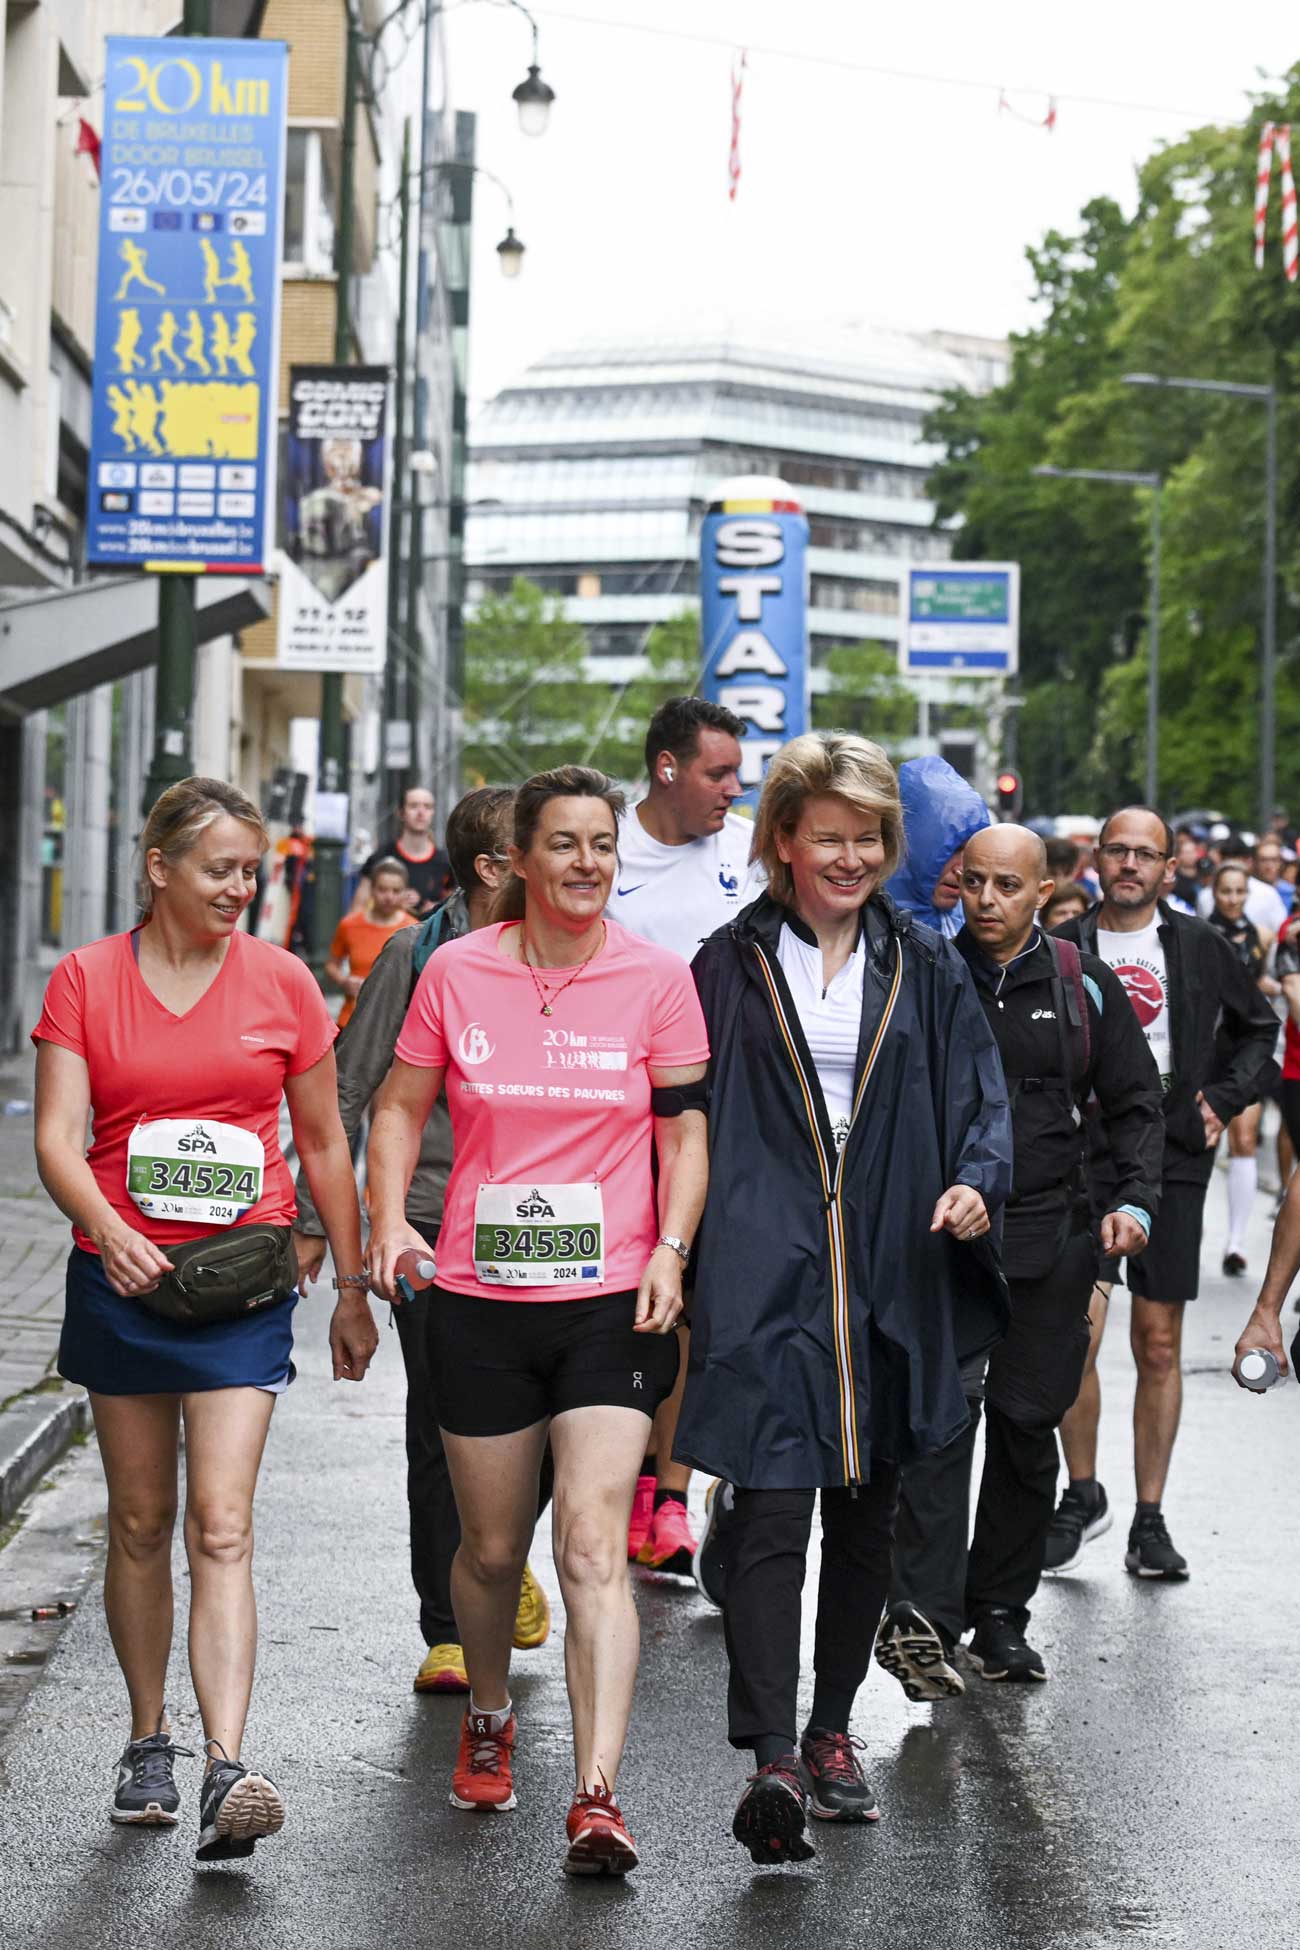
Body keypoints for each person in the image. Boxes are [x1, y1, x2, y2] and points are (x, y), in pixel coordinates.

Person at [367, 765, 710, 1877]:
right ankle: (488, 1712)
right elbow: (398, 1109)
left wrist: (668, 1248)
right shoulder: (457, 972)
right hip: (478, 1296)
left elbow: (682, 1136)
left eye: (602, 844)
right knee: (489, 1548)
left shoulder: (657, 980)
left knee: (590, 1549)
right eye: (562, 845)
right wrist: (389, 1228)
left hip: (611, 1298)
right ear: (517, 861)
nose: (586, 864)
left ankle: (598, 1794)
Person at [676, 732, 1012, 1866]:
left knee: (865, 1510)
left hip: (888, 1264)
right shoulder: (728, 963)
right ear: (782, 840)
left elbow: (980, 1096)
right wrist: (675, 1248)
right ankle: (771, 1751)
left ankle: (831, 1732)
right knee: (772, 1509)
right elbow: (678, 1114)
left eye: (869, 838)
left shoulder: (923, 962)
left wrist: (975, 1181)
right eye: (830, 836)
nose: (851, 855)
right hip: (763, 1262)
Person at [30, 778, 374, 1862]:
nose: (240, 887)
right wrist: (104, 1225)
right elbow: (56, 1134)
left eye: (251, 870)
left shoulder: (282, 984)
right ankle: (148, 1740)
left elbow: (322, 1142)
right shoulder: (85, 978)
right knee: (138, 1522)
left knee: (220, 1524)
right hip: (122, 1276)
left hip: (239, 1284)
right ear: (159, 866)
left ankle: (229, 1761)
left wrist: (352, 1282)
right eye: (221, 868)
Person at [877, 826, 1162, 1691]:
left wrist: (1133, 1202)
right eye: (975, 884)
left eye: (1009, 886)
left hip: (1054, 1238)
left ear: (1045, 892)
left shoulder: (1083, 984)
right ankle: (923, 1616)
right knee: (938, 1424)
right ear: (957, 887)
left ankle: (999, 1613)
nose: (989, 901)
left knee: (1028, 1427)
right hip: (945, 1238)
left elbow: (1137, 1104)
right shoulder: (925, 975)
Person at [295, 788, 554, 1697]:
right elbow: (350, 1089)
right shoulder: (419, 952)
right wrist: (317, 1231)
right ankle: (446, 1626)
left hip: (557, 1226)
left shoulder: (572, 949)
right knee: (445, 1423)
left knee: (557, 1424)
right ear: (494, 868)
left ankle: (495, 1550)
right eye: (540, 845)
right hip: (436, 1219)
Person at [1046, 808, 1278, 1581]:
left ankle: (1150, 1516)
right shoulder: (1066, 948)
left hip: (1172, 1155)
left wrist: (1220, 1100)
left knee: (1159, 1342)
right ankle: (1081, 1494)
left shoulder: (1200, 946)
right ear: (1096, 860)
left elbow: (1259, 1031)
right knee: (1074, 1333)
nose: (1130, 865)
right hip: (1084, 1157)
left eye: (1147, 854)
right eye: (1118, 851)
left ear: (1170, 870)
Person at [604, 695, 764, 1579]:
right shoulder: (610, 853)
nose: (732, 791)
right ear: (667, 768)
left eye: (737, 774)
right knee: (633, 1302)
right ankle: (625, 1474)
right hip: (617, 1113)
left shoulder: (747, 852)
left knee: (701, 1302)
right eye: (717, 773)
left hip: (724, 1107)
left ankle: (670, 1493)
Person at [1207, 863, 1277, 1276]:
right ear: (1214, 893)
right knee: (1203, 1140)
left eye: (1239, 891)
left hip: (1246, 1049)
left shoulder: (1261, 938)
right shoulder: (1201, 935)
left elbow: (1264, 985)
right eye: (1225, 891)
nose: (1232, 898)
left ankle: (1235, 1241)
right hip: (1208, 1051)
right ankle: (1190, 1231)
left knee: (1245, 1138)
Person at [884, 753, 991, 937]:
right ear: (913, 845)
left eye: (972, 851)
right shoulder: (864, 929)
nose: (962, 869)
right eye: (952, 850)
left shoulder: (978, 927)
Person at [325, 856, 417, 1029]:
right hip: (352, 1019)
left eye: (396, 891)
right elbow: (331, 964)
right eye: (382, 890)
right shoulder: (350, 925)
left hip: (394, 1023)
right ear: (372, 890)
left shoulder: (413, 929)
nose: (389, 897)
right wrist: (345, 982)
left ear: (405, 892)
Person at [353, 784, 451, 919]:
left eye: (427, 807)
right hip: (387, 935)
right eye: (414, 806)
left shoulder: (445, 862)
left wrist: (438, 908)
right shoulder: (380, 858)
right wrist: (391, 904)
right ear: (401, 813)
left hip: (431, 938)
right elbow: (358, 910)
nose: (421, 812)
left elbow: (456, 910)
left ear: (433, 813)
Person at [1195, 834, 1287, 934]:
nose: (1233, 900)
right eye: (1225, 892)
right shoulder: (1204, 896)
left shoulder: (1268, 894)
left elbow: (1280, 933)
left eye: (1240, 892)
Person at [1254, 833, 1295, 915]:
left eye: (1274, 860)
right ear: (1255, 862)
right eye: (1263, 860)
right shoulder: (1245, 891)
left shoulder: (1292, 893)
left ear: (1281, 862)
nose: (1269, 866)